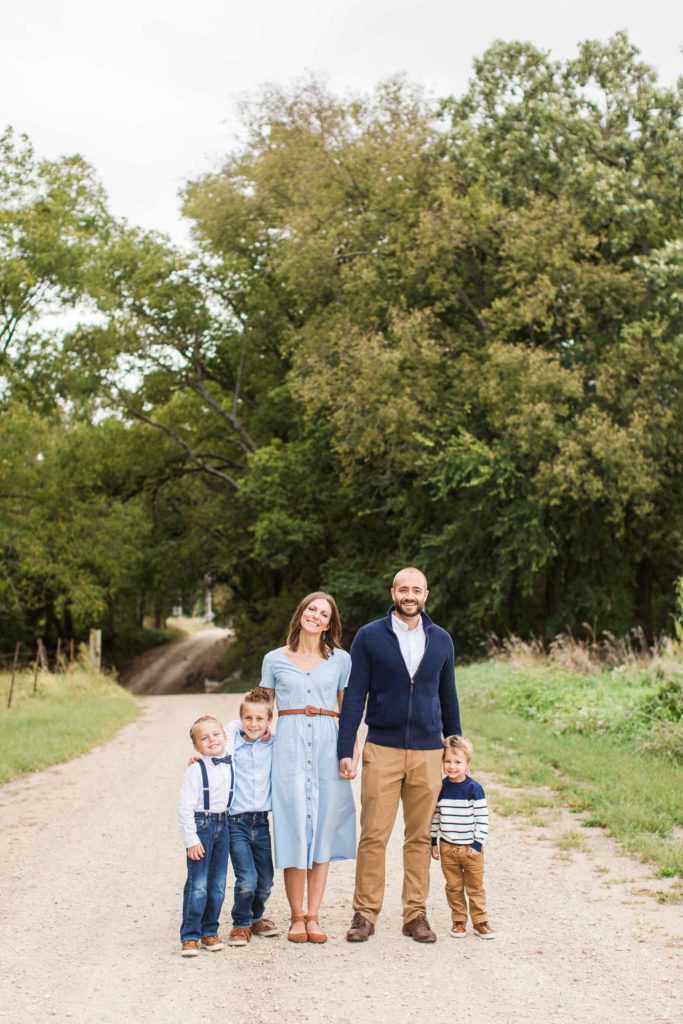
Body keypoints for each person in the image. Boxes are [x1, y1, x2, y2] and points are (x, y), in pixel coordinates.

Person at [337, 566, 461, 943]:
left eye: (417, 590)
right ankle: (364, 914)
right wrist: (347, 748)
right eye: (403, 589)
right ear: (393, 592)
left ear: (426, 594)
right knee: (374, 834)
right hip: (382, 748)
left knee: (420, 837)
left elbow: (449, 697)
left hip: (428, 752)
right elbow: (355, 694)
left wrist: (454, 746)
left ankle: (415, 914)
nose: (410, 596)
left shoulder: (441, 640)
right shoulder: (369, 636)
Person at [261, 591, 357, 943]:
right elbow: (258, 712)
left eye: (323, 613)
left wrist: (351, 752)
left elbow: (348, 712)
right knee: (292, 827)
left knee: (322, 830)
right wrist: (223, 747)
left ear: (329, 623)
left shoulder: (341, 661)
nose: (316, 616)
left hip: (328, 748)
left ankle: (314, 916)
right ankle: (296, 917)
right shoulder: (274, 659)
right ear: (300, 613)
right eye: (311, 609)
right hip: (287, 748)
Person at [225, 687, 280, 947]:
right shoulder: (232, 741)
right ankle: (240, 923)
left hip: (261, 822)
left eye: (260, 719)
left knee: (266, 879)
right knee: (246, 878)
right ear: (241, 719)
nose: (253, 724)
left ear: (269, 721)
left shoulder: (273, 743)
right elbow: (226, 729)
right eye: (248, 718)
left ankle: (256, 916)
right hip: (236, 821)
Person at [177, 715, 233, 956]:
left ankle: (210, 930)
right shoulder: (195, 770)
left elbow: (239, 725)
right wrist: (191, 839)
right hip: (202, 826)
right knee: (198, 884)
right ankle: (190, 935)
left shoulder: (232, 760)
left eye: (216, 734)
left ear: (225, 737)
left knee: (218, 884)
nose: (212, 740)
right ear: (196, 746)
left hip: (225, 825)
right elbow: (184, 807)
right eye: (204, 738)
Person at [430, 734, 494, 939]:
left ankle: (480, 922)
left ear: (467, 764)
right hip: (447, 847)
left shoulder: (473, 789)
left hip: (470, 849)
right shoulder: (441, 788)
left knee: (475, 887)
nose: (452, 766)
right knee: (453, 887)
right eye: (447, 761)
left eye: (458, 762)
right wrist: (433, 841)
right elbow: (436, 816)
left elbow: (482, 818)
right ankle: (458, 921)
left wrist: (477, 844)